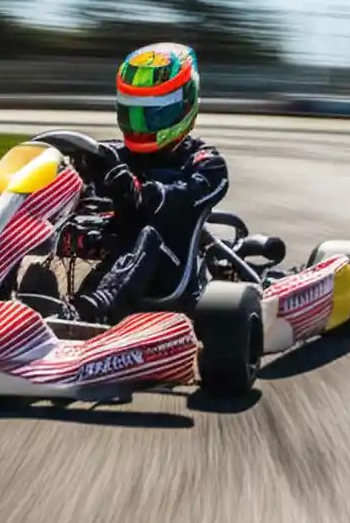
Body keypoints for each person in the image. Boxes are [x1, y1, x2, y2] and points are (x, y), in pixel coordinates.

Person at [60, 42, 229, 323]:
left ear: (185, 104)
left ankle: (93, 315)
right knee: (38, 226)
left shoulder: (206, 163)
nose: (141, 126)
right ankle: (11, 299)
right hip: (113, 264)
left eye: (153, 114)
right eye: (133, 114)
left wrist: (138, 192)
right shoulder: (108, 155)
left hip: (169, 286)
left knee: (147, 235)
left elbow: (181, 198)